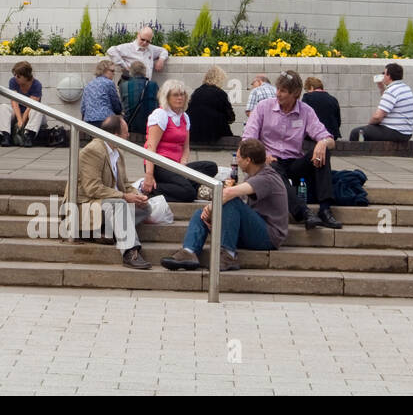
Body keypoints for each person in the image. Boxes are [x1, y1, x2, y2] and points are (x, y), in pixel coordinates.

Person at [161, 138, 289, 272]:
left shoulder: (268, 177)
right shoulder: (253, 176)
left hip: (269, 236)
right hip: (252, 230)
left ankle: (228, 256)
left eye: (238, 157)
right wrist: (214, 217)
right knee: (200, 214)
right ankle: (188, 252)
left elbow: (229, 193)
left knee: (231, 200)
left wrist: (210, 208)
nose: (236, 161)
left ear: (248, 160)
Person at [242, 70, 340, 229]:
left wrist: (323, 143)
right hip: (270, 162)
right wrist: (263, 155)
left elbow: (329, 139)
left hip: (294, 162)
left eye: (283, 91)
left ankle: (325, 209)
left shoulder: (306, 110)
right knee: (272, 167)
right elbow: (248, 138)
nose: (278, 94)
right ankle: (303, 212)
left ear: (295, 93)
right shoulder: (263, 107)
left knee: (324, 151)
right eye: (277, 89)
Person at [63, 115, 154, 270]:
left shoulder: (117, 153)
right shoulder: (93, 150)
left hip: (106, 203)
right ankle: (130, 251)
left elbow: (124, 184)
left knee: (145, 207)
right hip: (83, 205)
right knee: (119, 204)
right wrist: (125, 196)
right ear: (115, 135)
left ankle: (106, 231)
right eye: (125, 132)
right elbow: (92, 188)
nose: (128, 135)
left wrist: (137, 196)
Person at [141, 79, 218, 200]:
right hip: (160, 165)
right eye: (175, 95)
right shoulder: (160, 114)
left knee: (211, 167)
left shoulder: (184, 117)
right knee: (189, 193)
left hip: (177, 166)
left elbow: (186, 147)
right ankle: (149, 188)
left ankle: (180, 185)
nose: (180, 98)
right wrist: (149, 175)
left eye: (182, 94)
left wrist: (183, 165)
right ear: (167, 97)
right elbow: (150, 147)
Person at [349, 63, 413, 143]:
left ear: (389, 76)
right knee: (368, 130)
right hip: (406, 133)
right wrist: (381, 87)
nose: (382, 75)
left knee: (357, 133)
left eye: (384, 73)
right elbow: (389, 102)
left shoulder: (391, 90)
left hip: (395, 131)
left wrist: (369, 125)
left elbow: (377, 117)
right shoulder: (405, 88)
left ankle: (356, 155)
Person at [187, 65, 236, 145]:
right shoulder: (220, 94)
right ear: (219, 79)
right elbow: (230, 117)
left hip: (195, 134)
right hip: (216, 135)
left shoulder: (197, 92)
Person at [6, 61, 45, 146]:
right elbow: (14, 102)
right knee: (4, 107)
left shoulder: (36, 84)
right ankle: (5, 135)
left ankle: (28, 136)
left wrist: (22, 122)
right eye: (15, 75)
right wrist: (19, 120)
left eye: (19, 76)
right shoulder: (13, 81)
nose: (16, 77)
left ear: (26, 76)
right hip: (17, 112)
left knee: (38, 109)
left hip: (30, 113)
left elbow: (30, 106)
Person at [79, 58, 122, 131]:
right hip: (105, 119)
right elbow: (115, 103)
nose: (114, 73)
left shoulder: (89, 84)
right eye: (112, 71)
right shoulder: (109, 83)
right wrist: (120, 112)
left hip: (89, 119)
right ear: (104, 70)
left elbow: (83, 107)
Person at [118, 61, 158, 135]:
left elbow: (122, 104)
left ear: (131, 71)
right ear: (144, 71)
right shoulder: (153, 85)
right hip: (148, 123)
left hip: (130, 124)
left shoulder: (123, 86)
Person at [301, 76, 342, 140]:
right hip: (331, 136)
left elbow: (302, 118)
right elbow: (338, 121)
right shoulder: (333, 99)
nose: (307, 92)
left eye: (307, 90)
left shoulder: (307, 97)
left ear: (311, 87)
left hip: (312, 137)